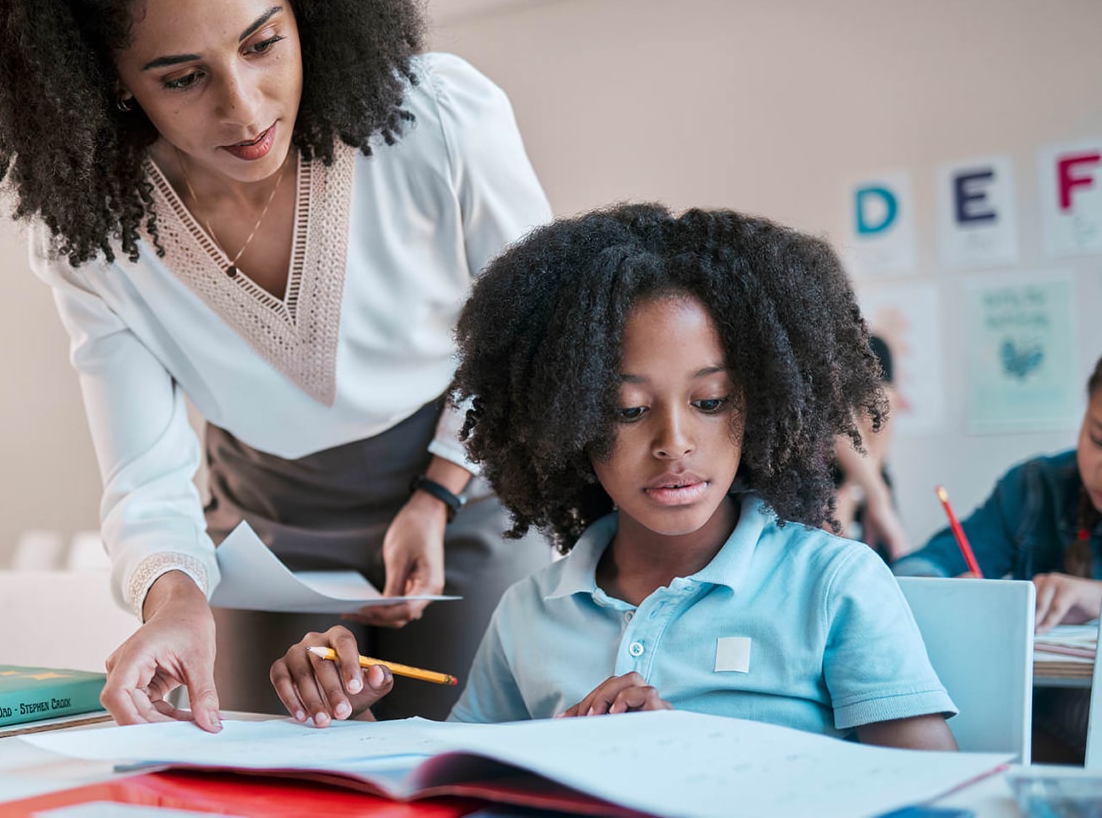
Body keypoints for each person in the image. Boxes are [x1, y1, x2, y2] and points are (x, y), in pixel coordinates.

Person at [0, 0, 552, 728]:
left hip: (470, 475)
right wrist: (173, 599)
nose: (245, 109)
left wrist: (438, 493)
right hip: (263, 529)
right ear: (108, 80)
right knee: (271, 758)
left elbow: (531, 340)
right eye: (181, 78)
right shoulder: (91, 240)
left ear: (308, 9)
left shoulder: (438, 119)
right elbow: (145, 474)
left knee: (472, 748)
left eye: (263, 44)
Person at [270, 204, 958, 750]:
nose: (674, 442)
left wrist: (678, 753)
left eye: (711, 401)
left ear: (763, 403)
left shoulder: (834, 584)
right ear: (567, 422)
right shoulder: (529, 615)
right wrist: (350, 718)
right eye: (628, 410)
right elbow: (464, 793)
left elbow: (931, 799)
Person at [894, 353, 1102, 761]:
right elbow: (915, 569)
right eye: (1098, 437)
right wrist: (950, 593)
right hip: (1037, 735)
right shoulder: (1035, 488)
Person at [832, 335, 910, 561]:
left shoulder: (874, 346)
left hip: (867, 478)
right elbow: (833, 419)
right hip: (825, 484)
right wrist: (875, 495)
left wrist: (858, 492)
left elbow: (885, 403)